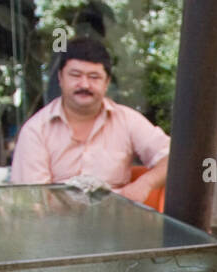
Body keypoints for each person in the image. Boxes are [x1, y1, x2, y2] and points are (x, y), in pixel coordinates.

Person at [11, 37, 169, 203]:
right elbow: (32, 198)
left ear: (106, 82)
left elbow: (172, 159)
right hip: (56, 224)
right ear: (60, 78)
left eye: (94, 77)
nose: (84, 84)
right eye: (75, 75)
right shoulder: (36, 130)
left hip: (115, 223)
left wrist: (144, 184)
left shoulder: (127, 120)